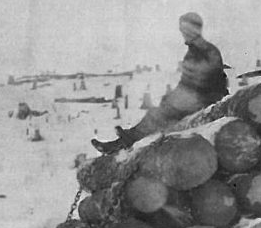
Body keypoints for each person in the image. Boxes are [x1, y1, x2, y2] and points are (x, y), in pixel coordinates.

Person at [92, 12, 229, 154]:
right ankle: (121, 143)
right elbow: (187, 83)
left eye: (187, 29)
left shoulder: (208, 51)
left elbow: (205, 83)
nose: (183, 33)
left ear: (196, 29)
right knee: (157, 112)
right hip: (196, 99)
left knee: (158, 115)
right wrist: (173, 97)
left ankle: (124, 142)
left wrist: (179, 99)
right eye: (182, 29)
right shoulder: (193, 52)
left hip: (208, 101)